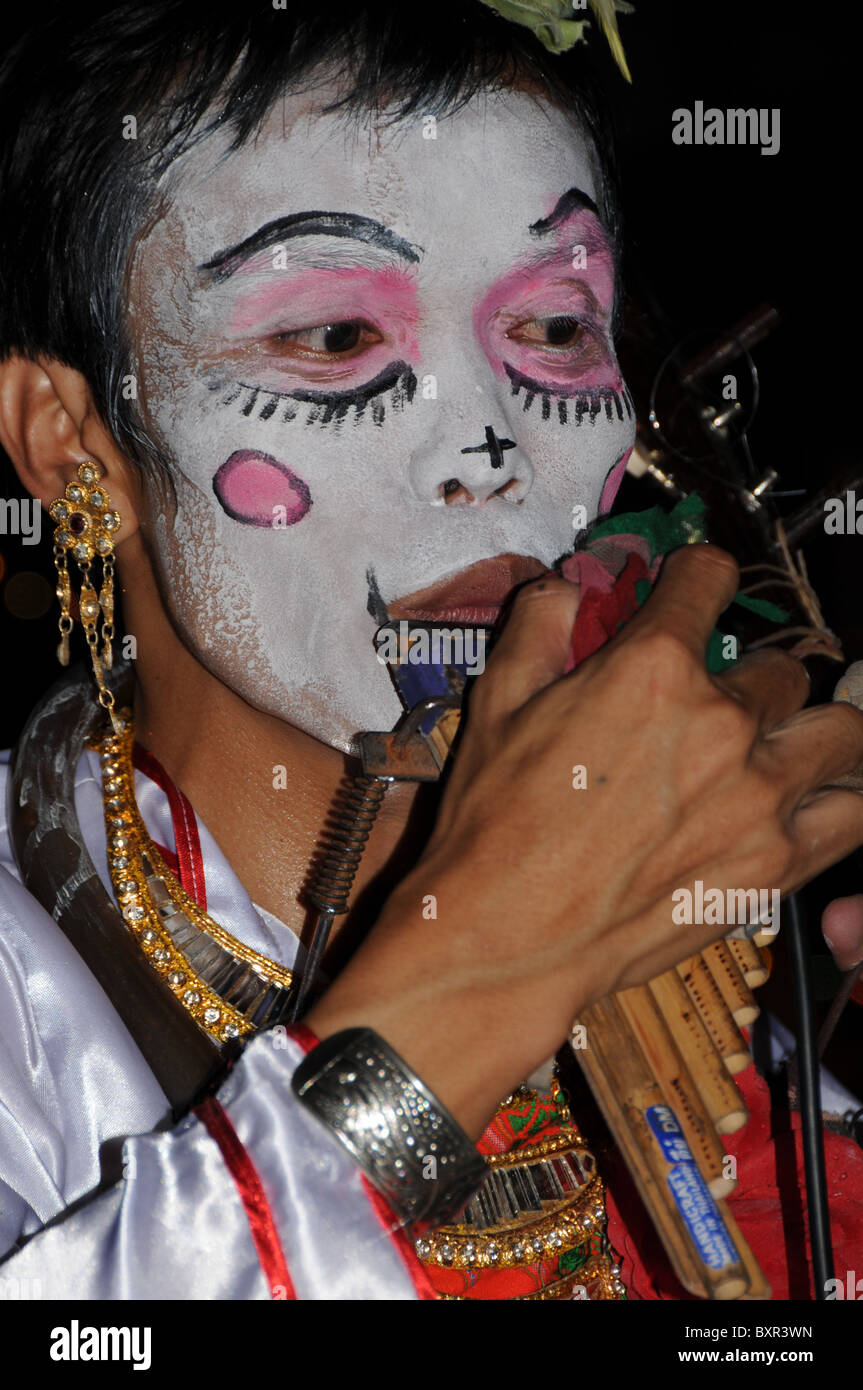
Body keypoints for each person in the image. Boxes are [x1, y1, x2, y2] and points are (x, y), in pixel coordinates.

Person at [0, 1, 861, 1301]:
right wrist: (484, 976)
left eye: (556, 331)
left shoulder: (715, 993)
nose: (492, 452)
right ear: (74, 446)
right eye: (339, 336)